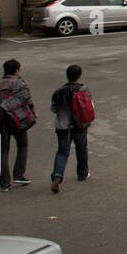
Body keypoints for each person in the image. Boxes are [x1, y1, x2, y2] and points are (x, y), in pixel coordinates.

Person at [0, 59, 34, 191]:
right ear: (16, 70)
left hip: (1, 122)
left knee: (2, 151)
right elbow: (28, 101)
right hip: (17, 120)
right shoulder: (21, 84)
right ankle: (19, 174)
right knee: (22, 145)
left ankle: (4, 183)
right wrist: (33, 114)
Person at [49, 64, 91, 193]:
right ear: (79, 75)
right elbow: (91, 106)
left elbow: (53, 108)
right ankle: (82, 173)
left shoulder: (59, 91)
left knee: (62, 152)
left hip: (63, 126)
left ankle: (57, 174)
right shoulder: (84, 90)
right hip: (80, 125)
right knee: (81, 148)